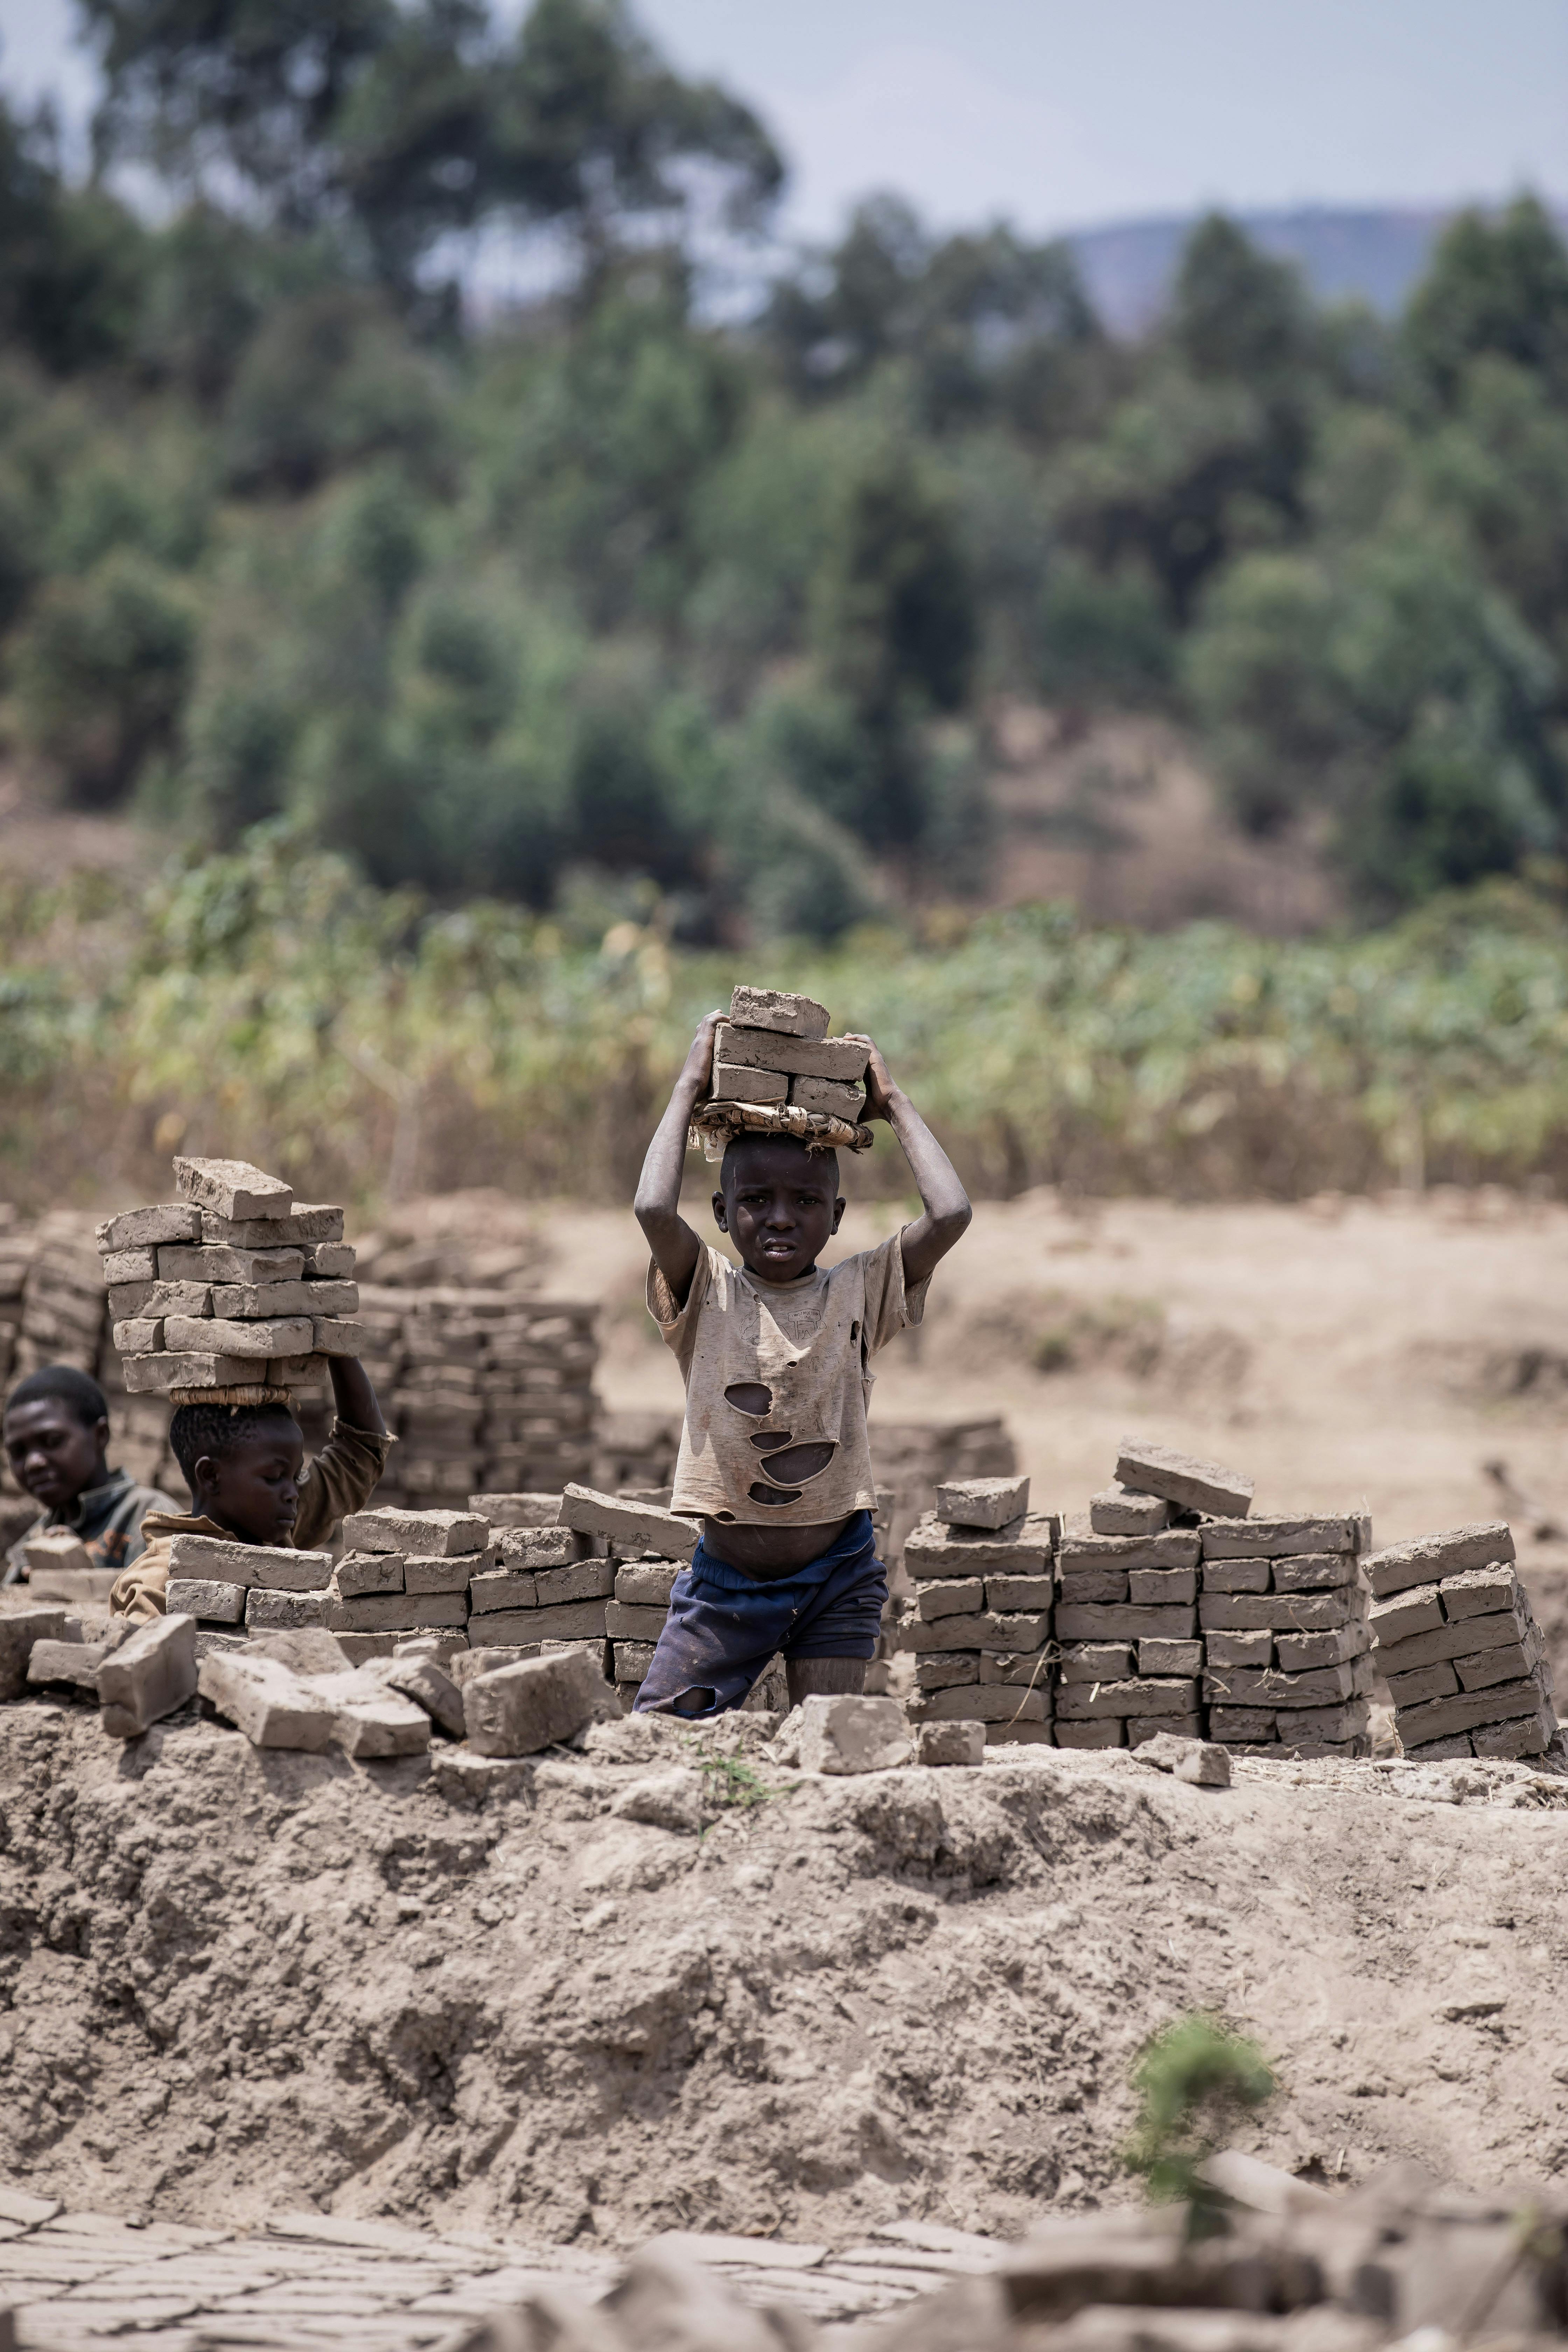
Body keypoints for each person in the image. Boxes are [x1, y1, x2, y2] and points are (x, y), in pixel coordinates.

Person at [632, 1010, 971, 1718]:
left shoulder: (861, 1290)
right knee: (659, 1740)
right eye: (756, 1201)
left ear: (837, 1215)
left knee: (828, 1756)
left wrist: (895, 1103)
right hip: (726, 1584)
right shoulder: (706, 1291)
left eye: (805, 1201)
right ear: (722, 1213)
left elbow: (950, 1214)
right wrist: (688, 1087)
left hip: (838, 1576)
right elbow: (652, 1208)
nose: (780, 1218)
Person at [109, 1355, 394, 1621]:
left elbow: (360, 1454)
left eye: (296, 1477)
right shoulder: (160, 1579)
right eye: (274, 1477)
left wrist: (338, 1347)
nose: (293, 1493)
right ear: (211, 1476)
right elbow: (144, 1663)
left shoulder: (273, 1535)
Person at [3, 1365, 178, 1583]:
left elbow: (163, 1610)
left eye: (52, 1441)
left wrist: (80, 1582)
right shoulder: (34, 1539)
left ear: (100, 1435)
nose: (33, 1463)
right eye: (18, 1452)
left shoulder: (149, 1518)